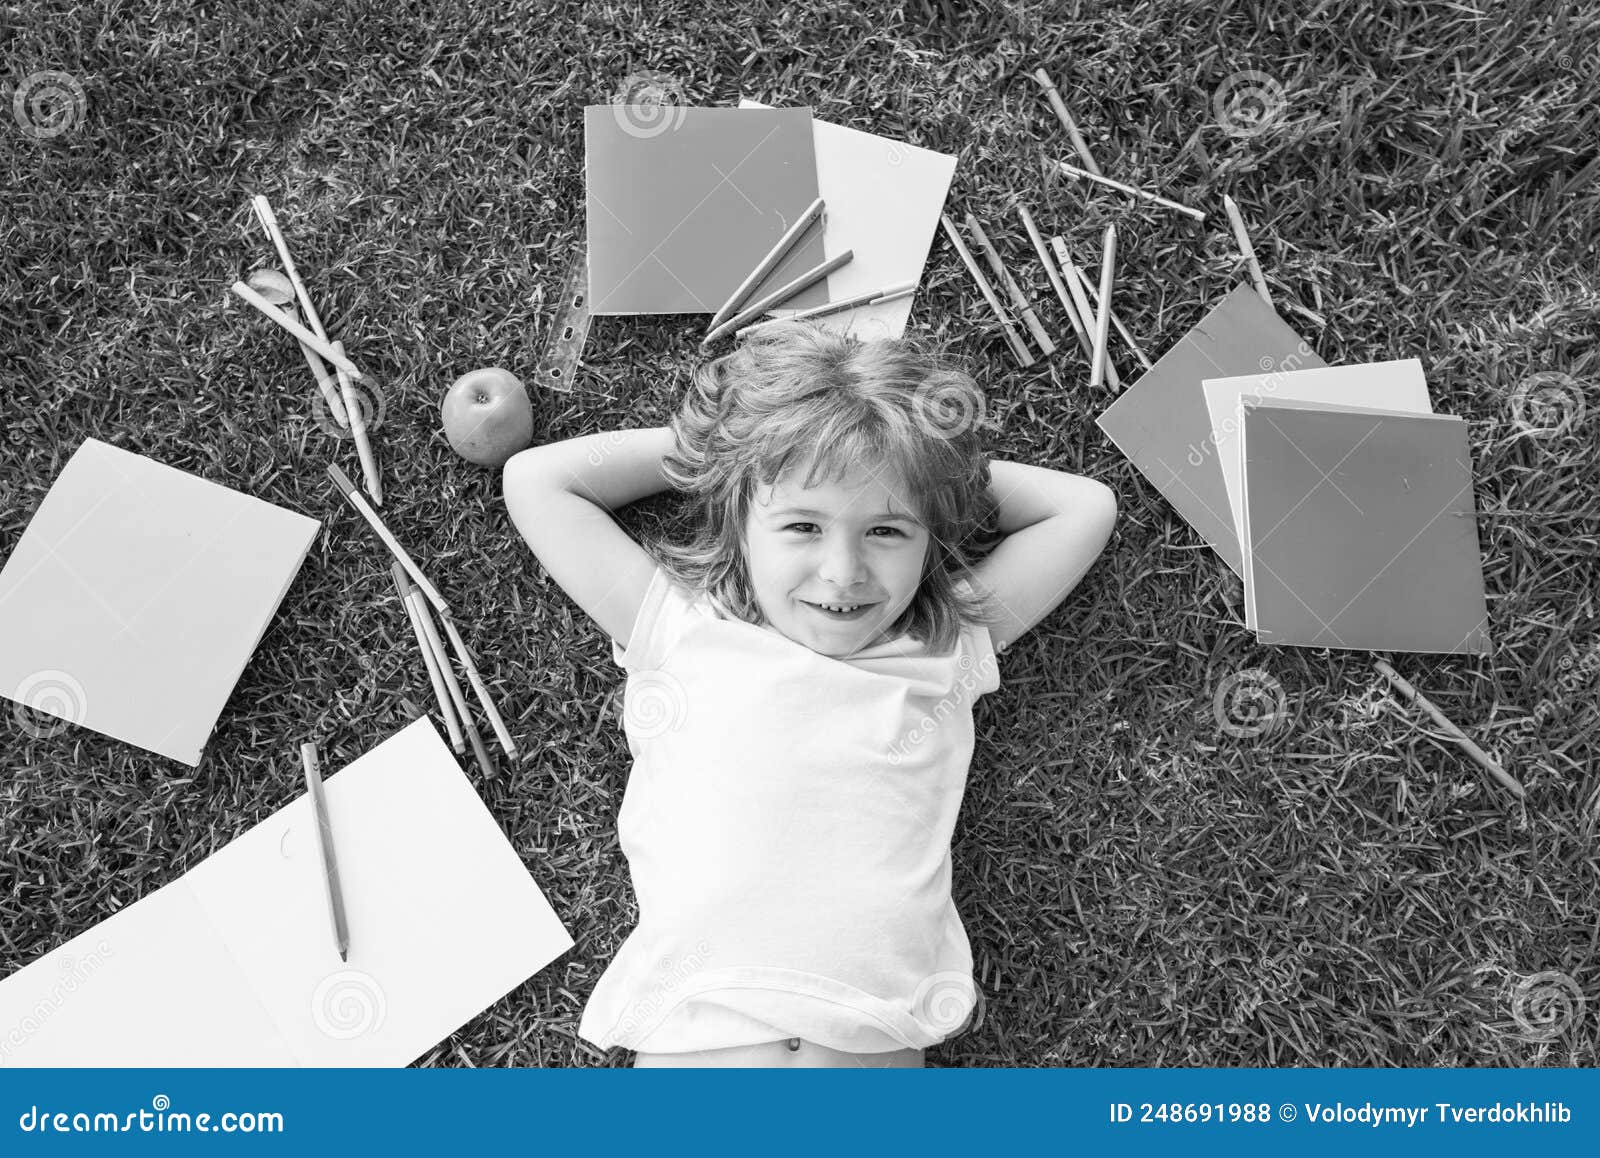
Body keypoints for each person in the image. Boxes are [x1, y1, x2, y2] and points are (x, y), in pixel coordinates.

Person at [503, 321, 1117, 1067]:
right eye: (801, 524)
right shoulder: (680, 628)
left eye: (887, 531)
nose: (842, 572)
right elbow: (540, 482)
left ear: (930, 540)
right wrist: (734, 450)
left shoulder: (940, 650)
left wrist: (926, 463)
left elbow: (1084, 508)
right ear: (738, 518)